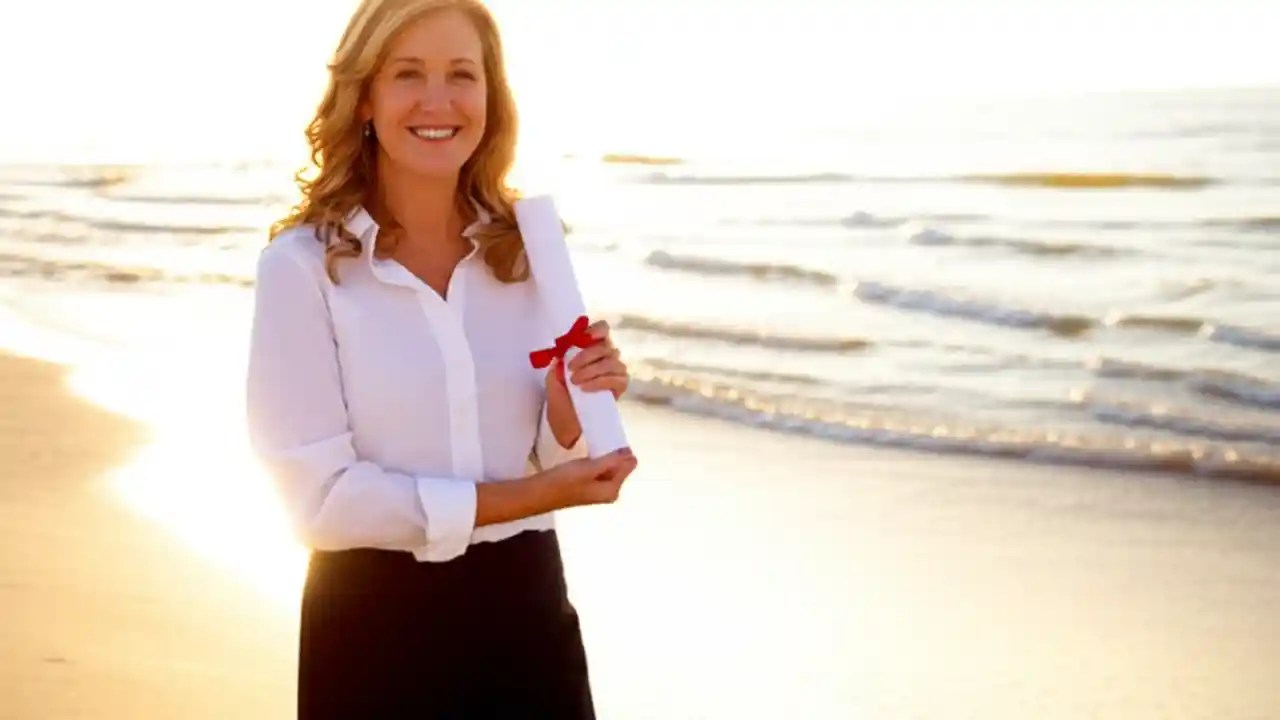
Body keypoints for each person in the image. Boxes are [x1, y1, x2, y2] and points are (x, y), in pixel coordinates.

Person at [246, 1, 638, 716]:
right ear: (365, 96)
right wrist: (536, 497)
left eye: (463, 74)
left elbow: (544, 458)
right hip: (372, 628)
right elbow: (320, 502)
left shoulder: (526, 254)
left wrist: (566, 408)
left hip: (527, 616)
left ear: (492, 96)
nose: (439, 100)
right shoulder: (302, 268)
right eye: (408, 74)